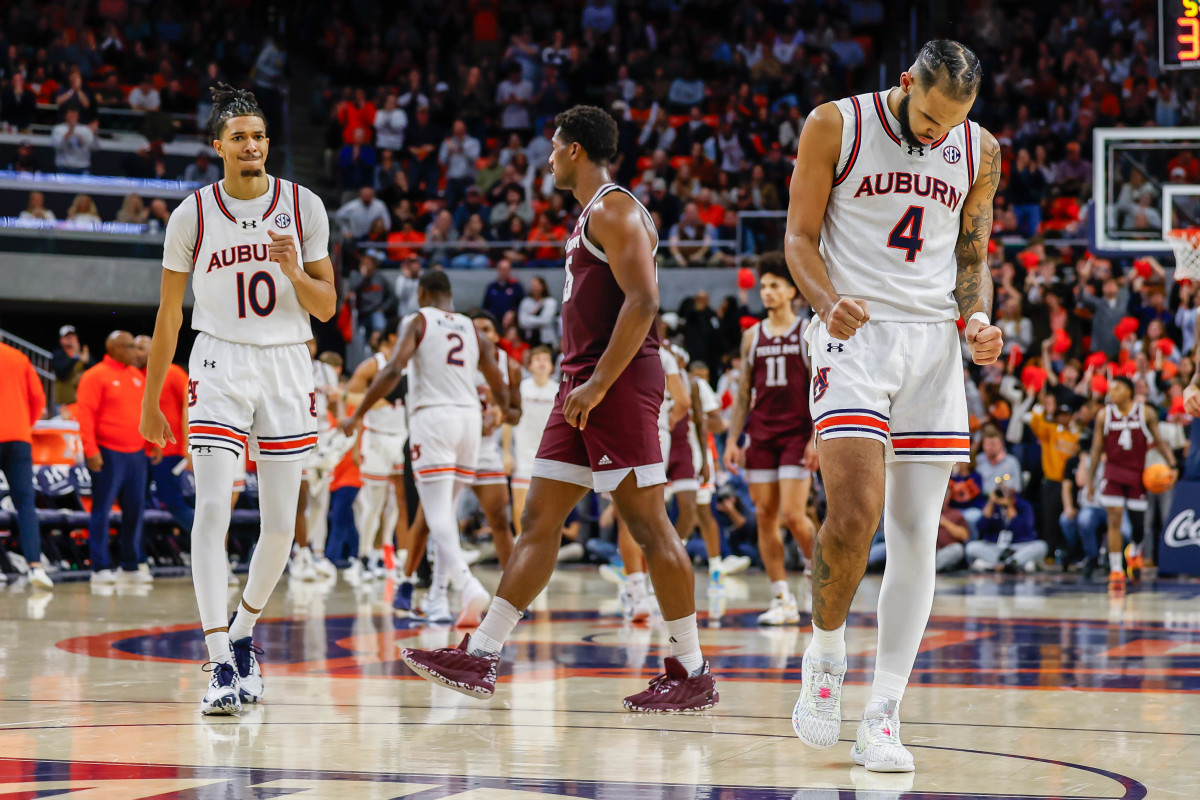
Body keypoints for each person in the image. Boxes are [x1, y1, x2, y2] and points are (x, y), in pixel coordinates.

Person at [399, 105, 718, 712]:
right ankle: (482, 654)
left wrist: (598, 383)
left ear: (574, 150)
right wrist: (585, 381)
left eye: (552, 146)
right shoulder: (588, 217)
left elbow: (645, 302)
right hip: (582, 384)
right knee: (538, 523)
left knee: (650, 527)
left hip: (615, 385)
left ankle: (691, 668)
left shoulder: (615, 207)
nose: (546, 158)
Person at [786, 41, 1003, 771]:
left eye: (954, 122)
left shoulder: (979, 151)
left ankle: (882, 712)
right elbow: (797, 237)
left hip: (933, 349)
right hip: (856, 334)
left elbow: (971, 258)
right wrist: (824, 302)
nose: (938, 133)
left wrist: (977, 320)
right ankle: (824, 656)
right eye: (929, 116)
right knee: (853, 516)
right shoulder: (835, 125)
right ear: (905, 83)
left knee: (916, 533)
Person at [139, 84, 336, 716]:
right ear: (218, 146)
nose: (251, 145)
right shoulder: (191, 215)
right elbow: (170, 314)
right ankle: (218, 656)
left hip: (285, 362)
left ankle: (246, 632)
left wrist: (295, 272)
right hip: (219, 359)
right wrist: (152, 399)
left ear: (268, 145)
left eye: (259, 136)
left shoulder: (304, 207)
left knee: (281, 523)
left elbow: (327, 307)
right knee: (211, 511)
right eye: (239, 137)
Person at [340, 270, 507, 626]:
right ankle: (436, 600)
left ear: (421, 292)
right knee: (445, 512)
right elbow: (495, 373)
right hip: (470, 420)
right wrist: (507, 408)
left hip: (433, 418)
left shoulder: (418, 320)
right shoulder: (471, 327)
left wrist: (358, 415)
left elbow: (392, 370)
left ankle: (467, 584)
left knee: (434, 513)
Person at [724, 251, 817, 625]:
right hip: (761, 434)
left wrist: (816, 437)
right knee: (764, 515)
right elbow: (744, 392)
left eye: (774, 286)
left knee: (794, 515)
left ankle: (816, 573)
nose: (767, 292)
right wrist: (734, 439)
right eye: (763, 286)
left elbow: (818, 389)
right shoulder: (751, 336)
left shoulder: (806, 333)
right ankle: (781, 598)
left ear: (792, 291)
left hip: (796, 433)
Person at [76, 331, 155, 586]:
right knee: (102, 510)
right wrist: (91, 451)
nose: (136, 351)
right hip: (108, 453)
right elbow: (85, 415)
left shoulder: (136, 377)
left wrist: (151, 443)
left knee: (135, 511)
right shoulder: (94, 376)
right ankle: (100, 568)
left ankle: (130, 566)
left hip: (136, 454)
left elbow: (143, 412)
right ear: (115, 348)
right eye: (130, 347)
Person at [1086, 376, 1176, 592]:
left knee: (1138, 527)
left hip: (1137, 475)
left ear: (1128, 392)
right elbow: (1097, 448)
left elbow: (1159, 442)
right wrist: (1091, 480)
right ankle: (1116, 570)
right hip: (1113, 472)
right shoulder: (1103, 415)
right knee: (1114, 519)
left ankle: (1134, 550)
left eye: (1116, 389)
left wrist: (1172, 465)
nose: (1111, 393)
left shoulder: (1146, 413)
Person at [341, 325, 408, 583]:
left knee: (398, 504)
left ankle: (385, 553)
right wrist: (358, 444)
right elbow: (353, 401)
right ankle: (364, 555)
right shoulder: (371, 366)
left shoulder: (408, 363)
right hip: (377, 436)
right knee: (374, 502)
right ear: (392, 337)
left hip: (402, 436)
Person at [469, 311, 523, 567]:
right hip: (454, 445)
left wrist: (500, 413)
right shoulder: (455, 361)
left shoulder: (509, 366)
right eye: (475, 329)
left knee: (500, 520)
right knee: (436, 520)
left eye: (486, 329)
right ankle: (433, 581)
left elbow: (516, 414)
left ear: (497, 335)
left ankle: (510, 591)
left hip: (486, 449)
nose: (481, 334)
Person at [0, 340, 51, 589]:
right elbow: (38, 399)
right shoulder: (18, 357)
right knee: (25, 503)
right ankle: (36, 567)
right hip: (18, 438)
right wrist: (23, 425)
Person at [133, 335, 194, 538]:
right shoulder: (136, 376)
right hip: (142, 451)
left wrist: (189, 445)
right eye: (134, 348)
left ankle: (210, 546)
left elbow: (190, 407)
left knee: (173, 502)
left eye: (141, 348)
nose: (136, 352)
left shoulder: (173, 372)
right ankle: (138, 560)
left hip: (170, 451)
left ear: (153, 349)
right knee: (136, 503)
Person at [511, 345, 558, 536]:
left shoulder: (558, 390)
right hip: (522, 454)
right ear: (529, 365)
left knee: (548, 507)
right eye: (537, 359)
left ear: (552, 367)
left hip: (549, 456)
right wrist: (506, 452)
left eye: (545, 359)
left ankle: (543, 545)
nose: (541, 363)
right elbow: (508, 423)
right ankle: (519, 543)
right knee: (520, 504)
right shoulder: (521, 388)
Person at [966, 476, 1043, 571]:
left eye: (1006, 490)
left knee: (1041, 546)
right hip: (996, 546)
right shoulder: (992, 506)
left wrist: (1009, 506)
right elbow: (981, 527)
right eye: (1001, 490)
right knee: (971, 547)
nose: (1003, 493)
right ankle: (1016, 564)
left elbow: (1024, 529)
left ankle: (1006, 563)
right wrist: (991, 502)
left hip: (1018, 545)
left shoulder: (1024, 506)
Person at [51, 325, 90, 407]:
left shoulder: (83, 353)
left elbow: (93, 371)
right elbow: (62, 374)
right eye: (67, 336)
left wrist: (84, 360)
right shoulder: (58, 354)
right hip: (64, 403)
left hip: (82, 401)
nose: (71, 338)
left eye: (72, 336)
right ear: (61, 340)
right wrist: (75, 358)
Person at [51, 108, 96, 174]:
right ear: (66, 116)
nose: (72, 118)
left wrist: (94, 133)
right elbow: (58, 146)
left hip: (82, 166)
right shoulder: (58, 129)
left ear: (78, 117)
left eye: (74, 116)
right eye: (70, 116)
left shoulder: (85, 129)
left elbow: (93, 147)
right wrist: (70, 130)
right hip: (63, 166)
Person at [517, 276, 559, 347]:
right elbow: (522, 322)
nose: (534, 288)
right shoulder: (526, 301)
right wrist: (540, 320)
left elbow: (546, 321)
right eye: (532, 286)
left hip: (546, 340)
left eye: (536, 286)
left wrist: (529, 318)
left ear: (543, 286)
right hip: (530, 339)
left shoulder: (550, 301)